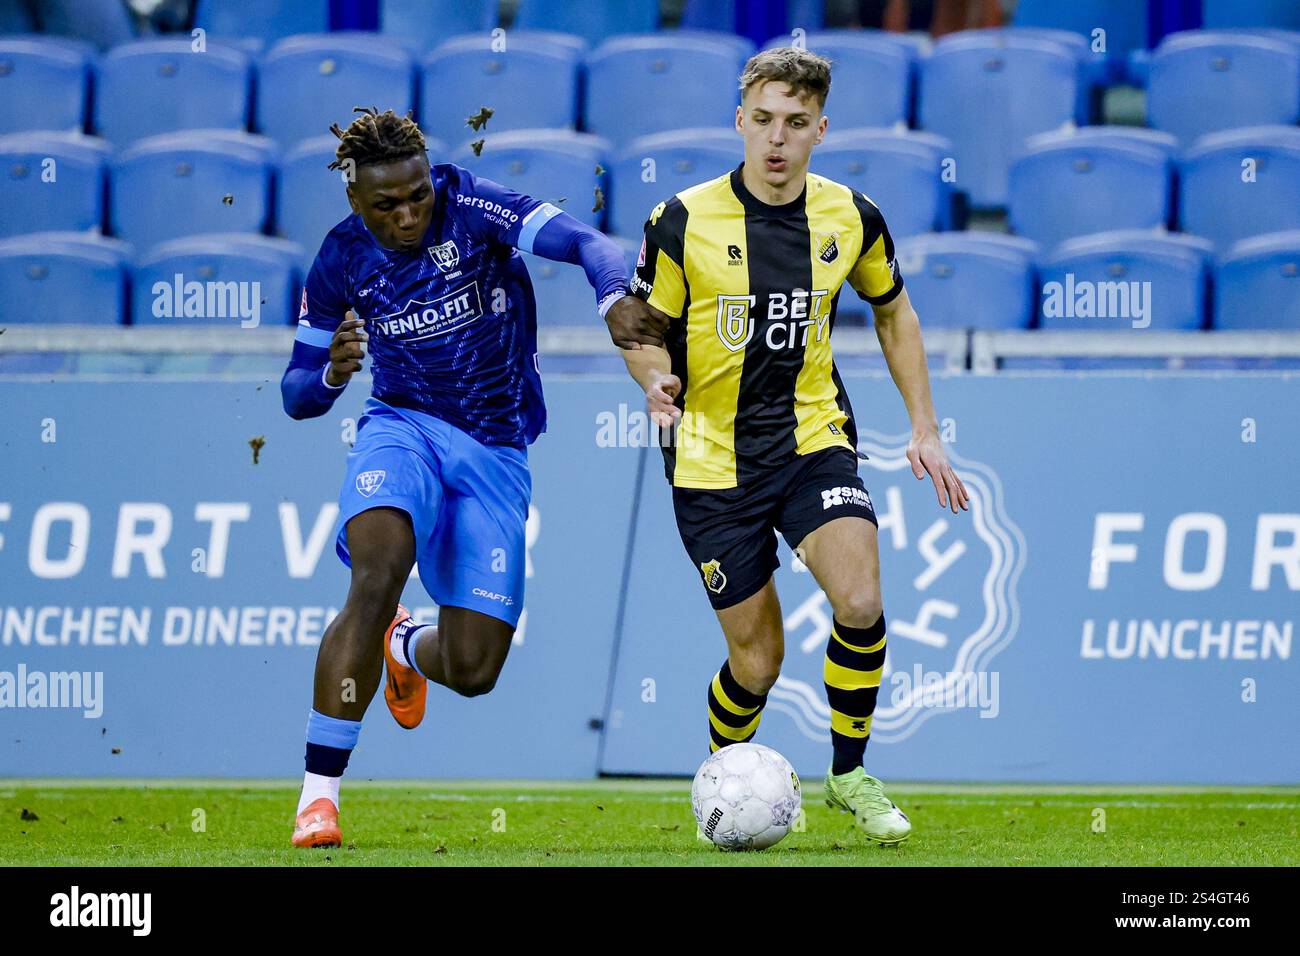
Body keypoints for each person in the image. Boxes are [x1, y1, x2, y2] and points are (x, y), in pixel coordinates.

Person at [282, 107, 664, 848]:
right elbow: (296, 395)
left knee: (473, 666)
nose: (408, 214)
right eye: (386, 205)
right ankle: (318, 798)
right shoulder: (338, 260)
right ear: (355, 202)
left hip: (495, 448)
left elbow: (587, 242)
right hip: (403, 428)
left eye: (417, 195)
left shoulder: (474, 205)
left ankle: (404, 648)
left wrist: (615, 300)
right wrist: (331, 374)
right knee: (376, 573)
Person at [623, 50, 969, 845]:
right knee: (758, 663)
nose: (778, 139)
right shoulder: (679, 220)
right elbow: (644, 329)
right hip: (710, 458)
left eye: (797, 124)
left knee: (860, 600)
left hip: (813, 439)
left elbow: (894, 312)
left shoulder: (852, 216)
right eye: (764, 120)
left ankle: (848, 772)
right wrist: (653, 379)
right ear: (739, 120)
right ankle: (725, 777)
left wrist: (926, 427)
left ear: (821, 130)